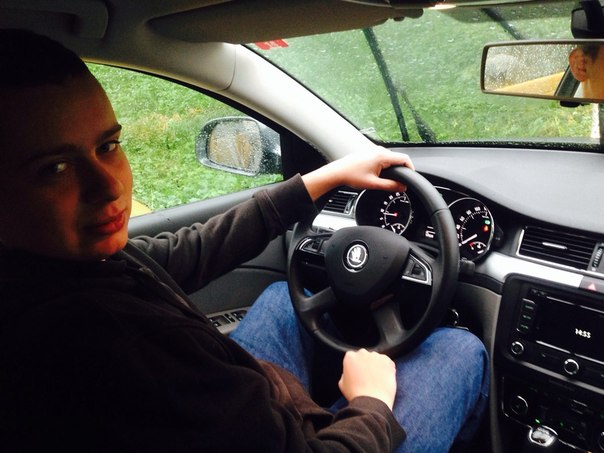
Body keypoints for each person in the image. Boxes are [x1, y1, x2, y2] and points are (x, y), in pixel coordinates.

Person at [0, 29, 488, 452]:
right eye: (55, 168)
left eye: (108, 146)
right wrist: (371, 401)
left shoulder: (62, 266)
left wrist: (321, 179)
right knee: (458, 352)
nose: (108, 187)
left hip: (250, 414)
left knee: (283, 298)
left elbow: (179, 256)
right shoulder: (122, 349)